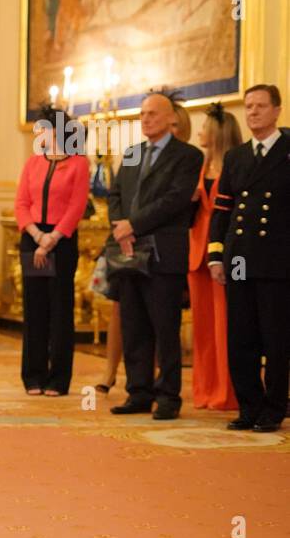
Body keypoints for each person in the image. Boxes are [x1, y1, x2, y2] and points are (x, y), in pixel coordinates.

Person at [107, 92, 204, 419]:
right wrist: (120, 226)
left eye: (152, 113)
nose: (146, 119)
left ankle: (168, 397)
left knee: (165, 328)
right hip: (129, 253)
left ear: (169, 118)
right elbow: (116, 194)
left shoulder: (187, 156)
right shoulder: (133, 154)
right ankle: (138, 392)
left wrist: (133, 224)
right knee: (134, 326)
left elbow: (174, 200)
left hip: (163, 254)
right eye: (143, 114)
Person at [208, 84, 290, 432]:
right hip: (239, 258)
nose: (253, 112)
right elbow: (222, 209)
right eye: (249, 106)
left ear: (277, 110)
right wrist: (216, 256)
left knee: (275, 338)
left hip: (278, 259)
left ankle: (274, 407)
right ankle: (249, 406)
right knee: (241, 335)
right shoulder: (237, 156)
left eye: (260, 106)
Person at [14, 105, 90, 396]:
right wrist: (36, 235)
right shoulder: (33, 162)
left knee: (60, 308)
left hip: (62, 240)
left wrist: (53, 238)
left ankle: (58, 378)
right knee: (35, 307)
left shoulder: (78, 163)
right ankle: (33, 375)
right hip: (33, 238)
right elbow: (21, 203)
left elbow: (77, 206)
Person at [189, 102, 242, 411]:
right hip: (196, 249)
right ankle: (204, 390)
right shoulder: (199, 165)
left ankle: (227, 391)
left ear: (217, 132)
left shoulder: (236, 166)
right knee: (204, 328)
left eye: (204, 127)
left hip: (225, 251)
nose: (199, 132)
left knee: (226, 326)